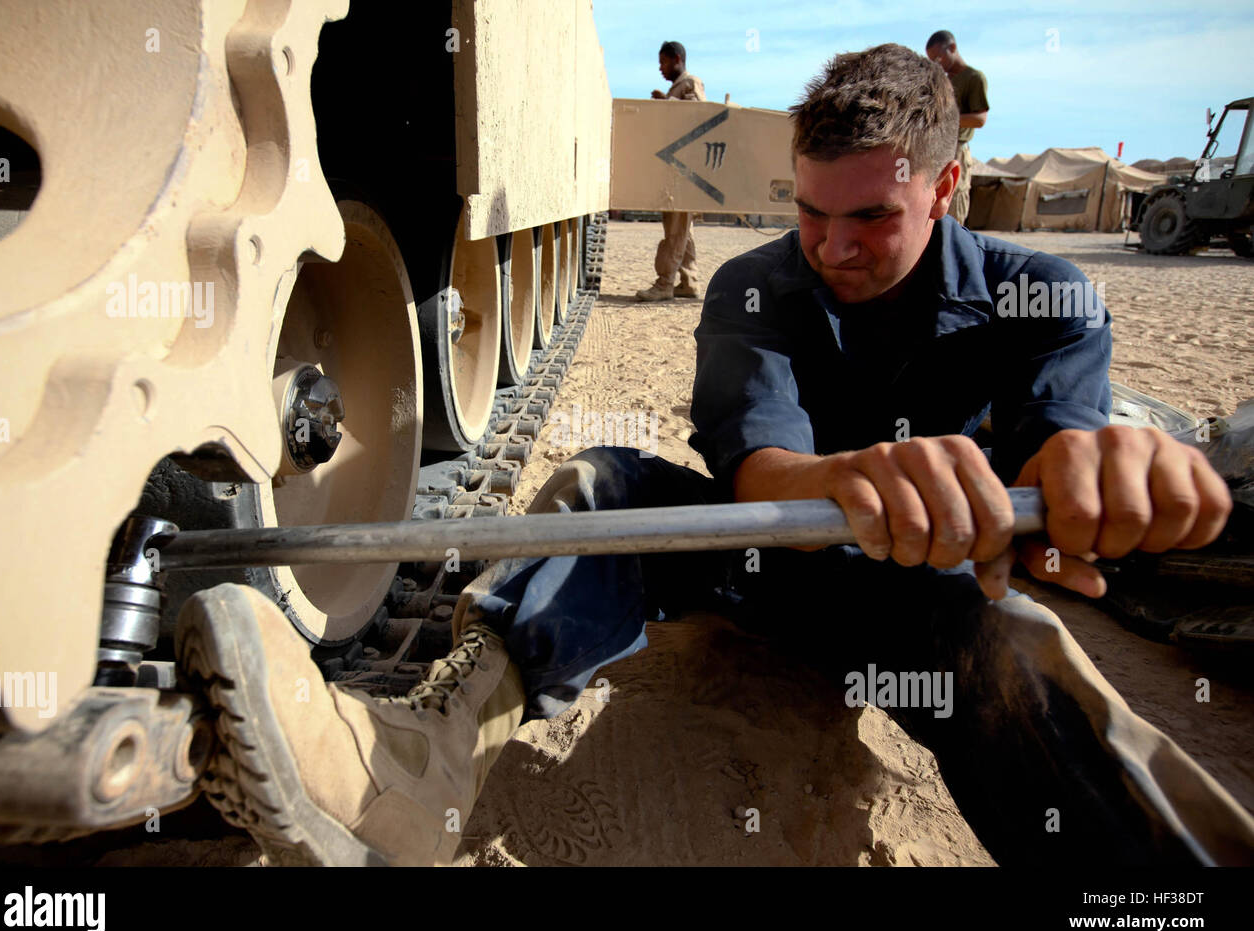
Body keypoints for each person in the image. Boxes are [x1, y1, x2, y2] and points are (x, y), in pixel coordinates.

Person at [180, 43, 1254, 867]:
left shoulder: (1048, 297)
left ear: (947, 183)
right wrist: (850, 479)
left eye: (871, 216)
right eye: (808, 209)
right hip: (762, 567)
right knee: (601, 487)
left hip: (929, 602)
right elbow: (757, 477)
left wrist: (1108, 469)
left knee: (1016, 647)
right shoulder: (755, 287)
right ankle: (420, 769)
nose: (830, 246)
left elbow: (1065, 440)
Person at [636, 40, 705, 302]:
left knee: (676, 230)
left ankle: (664, 283)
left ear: (676, 59)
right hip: (677, 168)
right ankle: (689, 281)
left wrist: (667, 102)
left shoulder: (690, 83)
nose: (661, 69)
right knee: (683, 231)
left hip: (683, 171)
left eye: (663, 62)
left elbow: (698, 115)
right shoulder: (678, 87)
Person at [926, 30, 988, 225]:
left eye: (939, 57)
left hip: (958, 149)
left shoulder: (973, 77)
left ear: (952, 48)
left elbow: (980, 119)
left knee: (954, 206)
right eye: (932, 61)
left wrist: (948, 119)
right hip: (938, 148)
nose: (938, 64)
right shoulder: (944, 81)